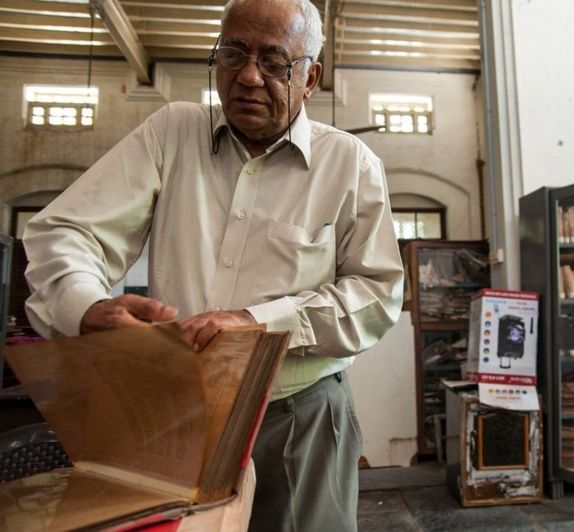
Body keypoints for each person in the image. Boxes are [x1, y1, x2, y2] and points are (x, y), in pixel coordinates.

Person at [22, 0, 404, 529]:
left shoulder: (349, 163)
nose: (247, 77)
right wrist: (88, 307)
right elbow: (66, 230)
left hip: (298, 415)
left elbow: (377, 293)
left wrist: (257, 323)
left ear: (311, 77)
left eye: (274, 62)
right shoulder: (171, 132)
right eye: (232, 54)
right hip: (176, 414)